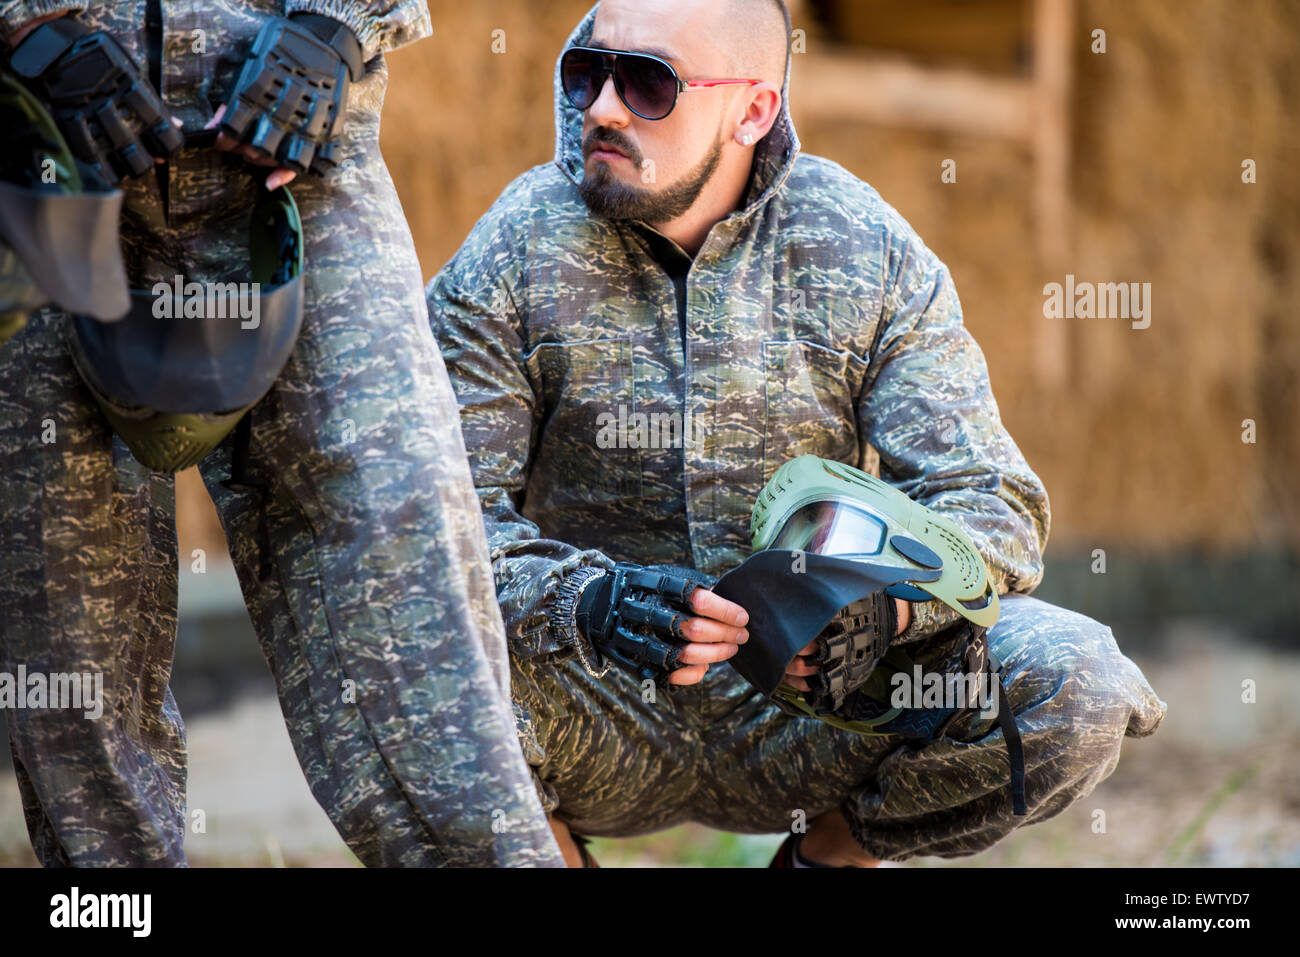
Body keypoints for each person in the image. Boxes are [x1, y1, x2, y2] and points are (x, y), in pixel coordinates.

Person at [426, 0, 1166, 868]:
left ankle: (828, 857)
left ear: (753, 110)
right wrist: (591, 602)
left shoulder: (863, 246)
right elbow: (439, 523)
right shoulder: (513, 248)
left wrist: (883, 611)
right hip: (590, 700)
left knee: (1076, 683)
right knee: (378, 651)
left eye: (648, 84)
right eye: (587, 73)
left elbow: (993, 503)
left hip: (815, 706)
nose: (602, 108)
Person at [0, 0, 563, 867]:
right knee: (66, 640)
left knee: (404, 545)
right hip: (38, 155)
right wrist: (27, 31)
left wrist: (335, 27)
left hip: (300, 150)